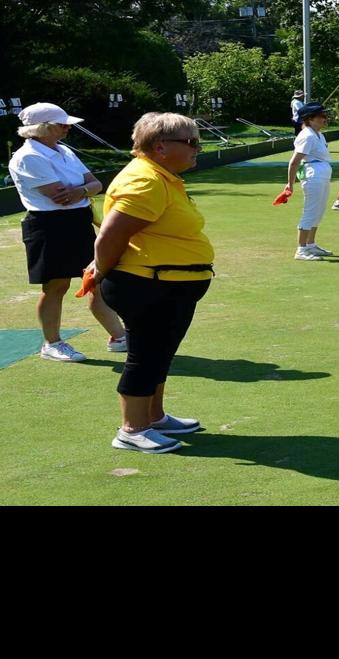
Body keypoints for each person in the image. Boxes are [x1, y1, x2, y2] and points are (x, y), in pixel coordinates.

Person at [87, 112, 216, 453]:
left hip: (169, 283)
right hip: (145, 284)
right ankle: (132, 429)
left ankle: (154, 416)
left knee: (160, 353)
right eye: (191, 143)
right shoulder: (145, 181)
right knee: (145, 356)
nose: (197, 149)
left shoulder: (162, 176)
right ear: (160, 147)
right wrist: (99, 271)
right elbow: (110, 238)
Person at [7, 102, 129, 362]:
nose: (67, 129)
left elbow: (95, 184)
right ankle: (52, 344)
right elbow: (60, 196)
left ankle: (119, 337)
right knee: (56, 286)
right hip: (48, 226)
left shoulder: (64, 151)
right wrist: (84, 190)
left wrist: (82, 191)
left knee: (97, 280)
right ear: (44, 128)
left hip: (77, 222)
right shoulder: (28, 156)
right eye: (62, 125)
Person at [283, 102, 333, 260]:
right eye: (322, 116)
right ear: (310, 119)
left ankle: (310, 244)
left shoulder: (318, 134)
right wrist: (290, 184)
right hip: (313, 175)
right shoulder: (307, 136)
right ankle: (301, 249)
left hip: (322, 174)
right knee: (310, 211)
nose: (325, 119)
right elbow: (294, 162)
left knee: (319, 211)